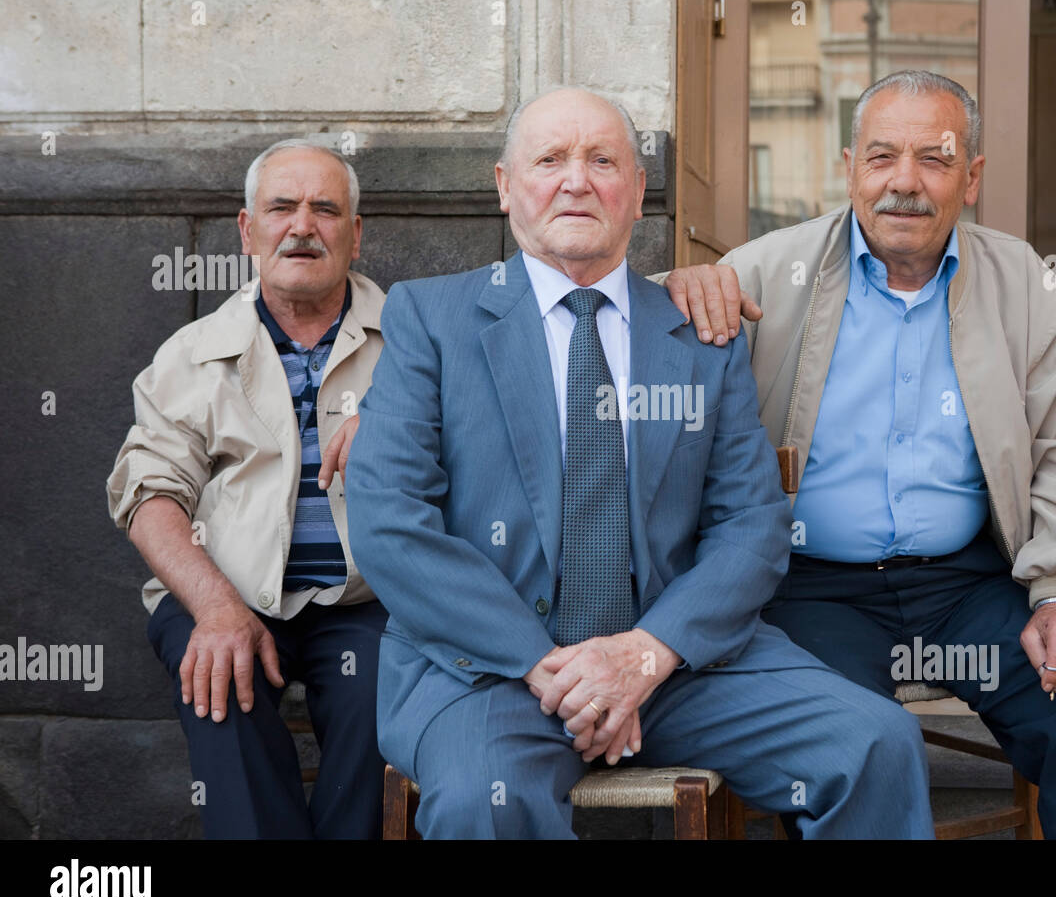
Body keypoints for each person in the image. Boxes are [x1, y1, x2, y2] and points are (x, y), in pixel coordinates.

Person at [344, 86, 932, 839]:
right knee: (486, 803)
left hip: (678, 665)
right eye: (550, 159)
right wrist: (548, 668)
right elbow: (392, 524)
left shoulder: (695, 332)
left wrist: (646, 655)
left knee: (876, 743)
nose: (577, 179)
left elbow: (751, 524)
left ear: (638, 192)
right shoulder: (431, 319)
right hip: (487, 671)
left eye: (602, 160)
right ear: (504, 187)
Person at [662, 70, 1056, 838]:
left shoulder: (1025, 284)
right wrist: (681, 287)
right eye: (882, 157)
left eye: (934, 158)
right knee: (851, 737)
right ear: (849, 165)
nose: (905, 183)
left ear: (972, 177)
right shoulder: (768, 270)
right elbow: (617, 333)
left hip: (967, 586)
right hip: (808, 589)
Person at [106, 140, 388, 838]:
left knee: (384, 698)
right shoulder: (192, 352)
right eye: (282, 207)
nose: (302, 226)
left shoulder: (417, 340)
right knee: (219, 685)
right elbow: (149, 497)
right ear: (247, 230)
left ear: (356, 235)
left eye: (326, 209)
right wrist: (214, 607)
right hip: (221, 589)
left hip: (368, 597)